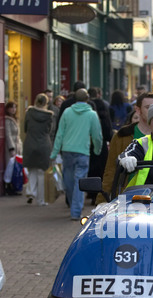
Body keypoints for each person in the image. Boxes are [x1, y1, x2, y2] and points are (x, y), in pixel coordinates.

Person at [95, 91, 153, 204]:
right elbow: (111, 169)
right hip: (127, 196)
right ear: (138, 110)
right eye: (148, 107)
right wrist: (101, 201)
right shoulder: (122, 136)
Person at [50, 88, 103, 220]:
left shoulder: (67, 112)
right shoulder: (92, 114)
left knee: (68, 181)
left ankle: (72, 203)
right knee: (80, 181)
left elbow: (60, 133)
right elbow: (97, 135)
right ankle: (76, 211)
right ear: (87, 99)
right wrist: (97, 149)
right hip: (83, 152)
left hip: (67, 150)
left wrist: (54, 152)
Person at [23, 93, 53, 206]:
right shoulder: (49, 116)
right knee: (42, 173)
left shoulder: (29, 113)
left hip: (30, 143)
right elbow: (49, 131)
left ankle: (31, 192)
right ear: (46, 103)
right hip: (44, 145)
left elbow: (25, 128)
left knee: (31, 170)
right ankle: (41, 200)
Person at [4, 101, 23, 195]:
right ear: (7, 109)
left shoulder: (15, 119)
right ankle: (9, 187)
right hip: (11, 147)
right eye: (12, 107)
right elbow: (8, 134)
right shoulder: (7, 120)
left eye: (15, 107)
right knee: (10, 167)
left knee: (16, 167)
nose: (13, 109)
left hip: (17, 146)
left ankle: (15, 186)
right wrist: (11, 148)